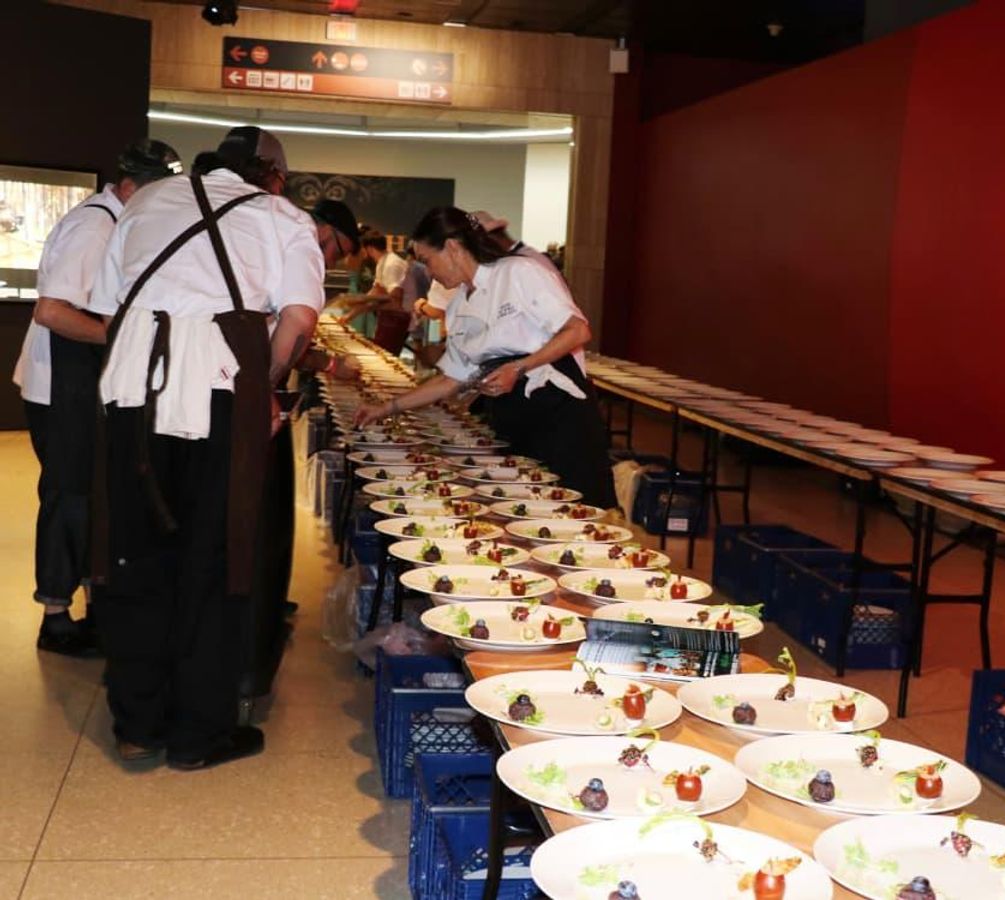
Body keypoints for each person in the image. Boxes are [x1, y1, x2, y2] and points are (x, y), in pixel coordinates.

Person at [88, 125, 325, 769]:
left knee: (134, 556)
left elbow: (111, 309)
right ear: (272, 177)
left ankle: (138, 723)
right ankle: (198, 733)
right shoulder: (281, 217)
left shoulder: (146, 201)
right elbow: (298, 321)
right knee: (216, 559)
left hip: (134, 393)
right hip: (219, 394)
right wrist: (265, 388)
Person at [12, 138, 182, 656]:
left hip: (82, 384)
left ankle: (86, 603)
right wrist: (124, 335)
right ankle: (56, 616)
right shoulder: (95, 227)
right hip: (60, 385)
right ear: (132, 186)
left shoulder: (116, 222)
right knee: (68, 497)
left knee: (87, 496)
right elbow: (51, 311)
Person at [354, 207, 617, 508]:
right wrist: (385, 408)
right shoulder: (457, 307)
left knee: (576, 505)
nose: (429, 272)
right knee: (526, 505)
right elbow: (449, 379)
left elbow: (578, 331)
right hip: (512, 413)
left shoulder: (518, 272)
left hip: (558, 412)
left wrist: (517, 368)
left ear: (452, 247)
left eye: (428, 261)